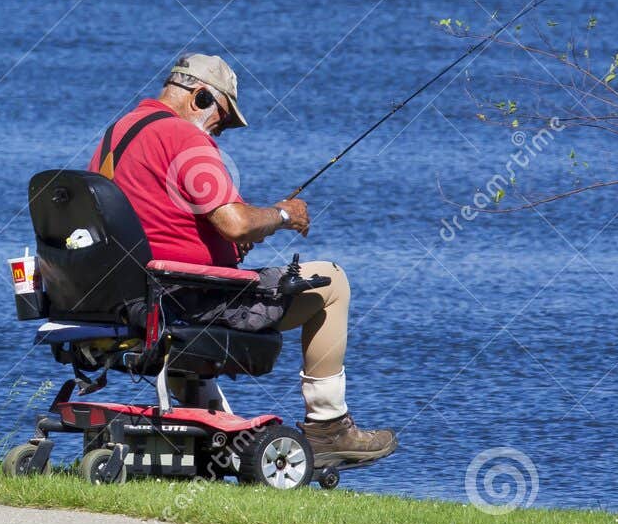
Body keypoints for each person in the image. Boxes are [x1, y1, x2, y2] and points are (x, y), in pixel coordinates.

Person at [88, 53, 396, 462]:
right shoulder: (184, 137)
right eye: (223, 117)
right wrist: (285, 214)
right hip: (184, 299)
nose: (222, 130)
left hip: (126, 297)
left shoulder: (119, 132)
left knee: (236, 275)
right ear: (200, 98)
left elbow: (152, 219)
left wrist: (221, 246)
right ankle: (328, 428)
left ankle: (206, 425)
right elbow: (234, 222)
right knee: (331, 281)